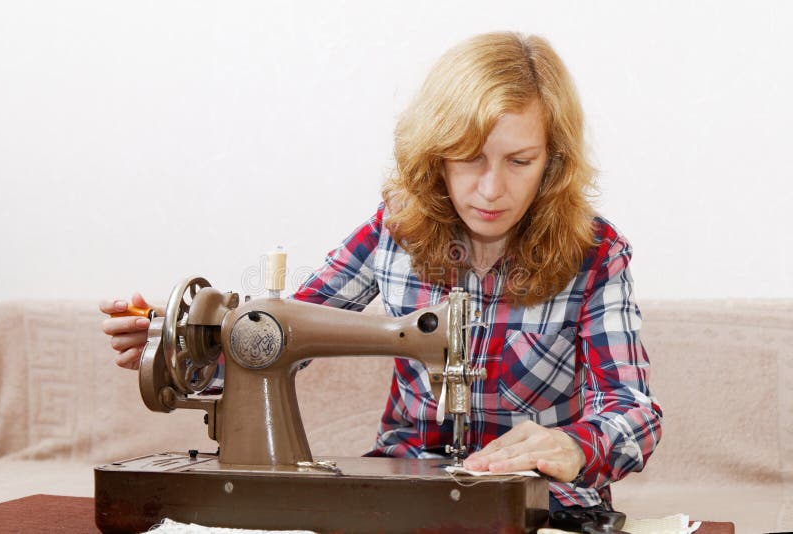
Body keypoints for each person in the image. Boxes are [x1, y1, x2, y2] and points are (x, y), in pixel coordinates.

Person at [101, 31, 662, 513]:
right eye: (469, 157)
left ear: (553, 161)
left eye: (520, 161)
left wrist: (577, 446)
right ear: (435, 152)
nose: (492, 189)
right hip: (403, 499)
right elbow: (277, 334)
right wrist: (176, 343)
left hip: (539, 504)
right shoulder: (396, 229)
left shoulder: (595, 253)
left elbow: (632, 410)